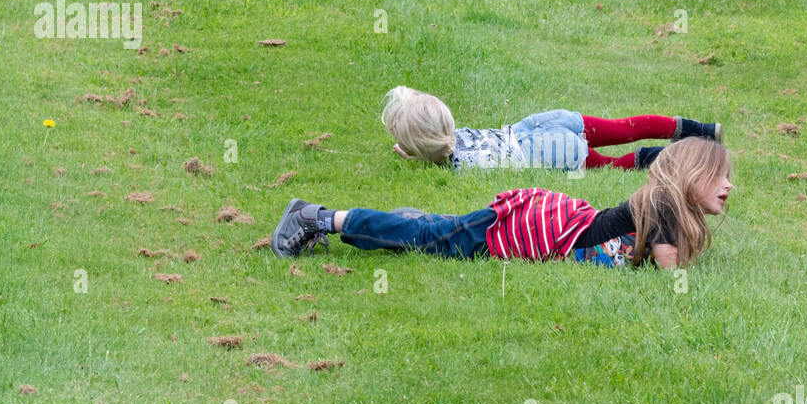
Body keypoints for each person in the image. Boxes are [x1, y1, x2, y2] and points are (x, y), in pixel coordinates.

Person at [271, 138, 732, 269]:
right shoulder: (666, 205)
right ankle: (315, 217)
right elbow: (673, 277)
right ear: (691, 177)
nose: (729, 186)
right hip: (529, 228)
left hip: (542, 219)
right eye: (720, 176)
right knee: (431, 241)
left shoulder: (664, 203)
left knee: (440, 233)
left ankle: (418, 221)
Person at [380, 85, 722, 172]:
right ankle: (701, 129)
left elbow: (439, 154)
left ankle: (659, 157)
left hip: (544, 150)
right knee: (622, 128)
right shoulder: (462, 133)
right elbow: (437, 142)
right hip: (539, 125)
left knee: (607, 165)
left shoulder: (457, 163)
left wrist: (417, 155)